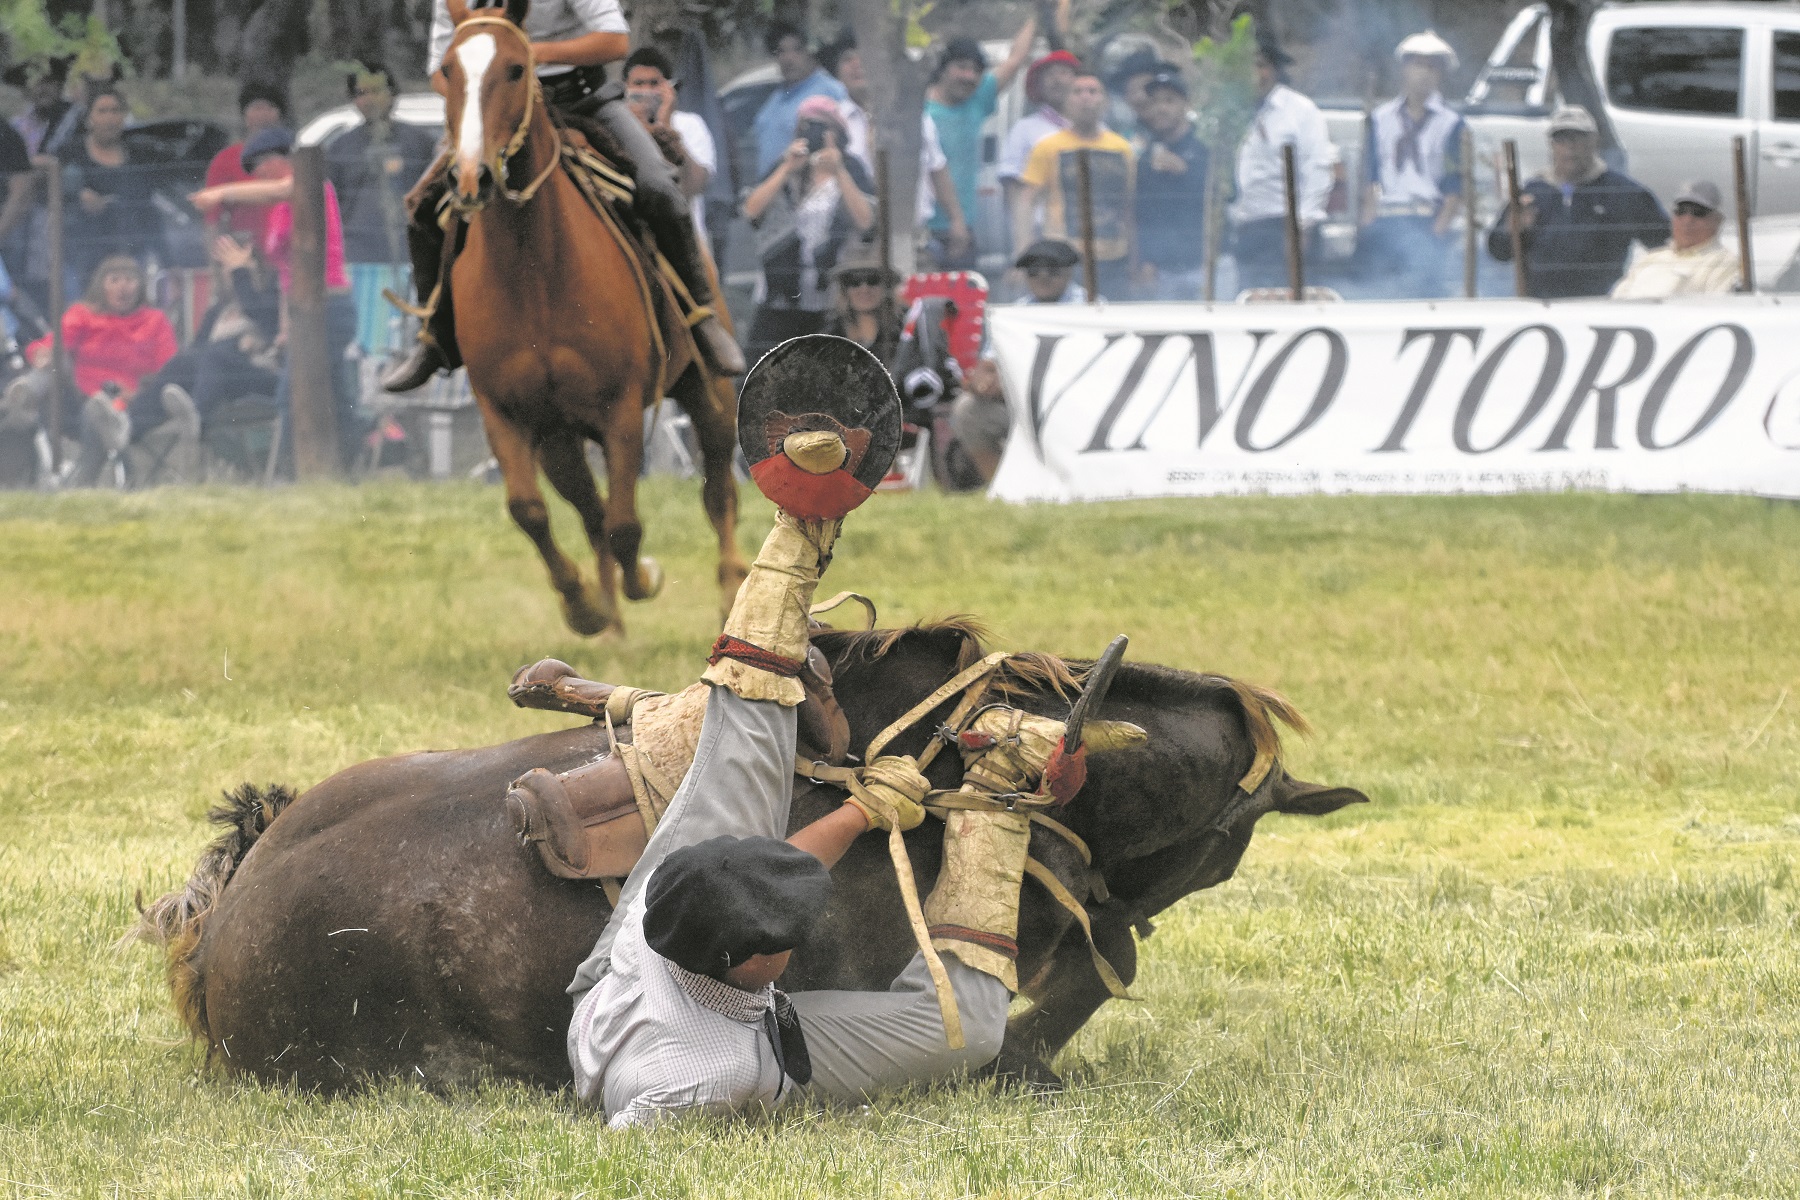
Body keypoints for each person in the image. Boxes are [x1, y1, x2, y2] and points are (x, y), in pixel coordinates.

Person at [562, 348, 1071, 1125]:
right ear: (752, 965)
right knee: (966, 1035)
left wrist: (867, 811)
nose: (798, 939)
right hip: (757, 1051)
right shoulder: (704, 1082)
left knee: (737, 754)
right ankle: (998, 791)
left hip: (653, 984)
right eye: (784, 940)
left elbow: (765, 878)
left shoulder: (659, 916)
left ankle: (802, 518)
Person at [384, 0, 745, 391]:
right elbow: (441, 70)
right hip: (496, 111)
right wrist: (477, 89)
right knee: (421, 207)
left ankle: (701, 316)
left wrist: (528, 53)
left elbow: (614, 42)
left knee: (658, 184)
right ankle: (433, 336)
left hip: (582, 100)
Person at [190, 128, 362, 470]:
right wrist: (285, 327)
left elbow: (285, 188)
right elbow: (288, 273)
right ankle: (348, 469)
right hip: (303, 309)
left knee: (294, 395)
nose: (257, 177)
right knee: (335, 397)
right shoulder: (281, 210)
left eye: (260, 168)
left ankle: (285, 474)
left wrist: (223, 194)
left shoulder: (312, 188)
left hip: (329, 305)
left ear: (278, 160)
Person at [741, 97, 875, 366]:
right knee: (763, 373)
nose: (813, 133)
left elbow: (866, 221)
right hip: (779, 295)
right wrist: (787, 168)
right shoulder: (787, 165)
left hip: (829, 299)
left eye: (821, 127)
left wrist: (838, 171)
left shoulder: (851, 167)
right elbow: (751, 211)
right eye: (806, 126)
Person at [1488, 105, 1669, 299]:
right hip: (1539, 306)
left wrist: (1641, 284)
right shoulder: (1532, 193)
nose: (1570, 147)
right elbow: (1499, 252)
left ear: (1594, 141)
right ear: (1551, 145)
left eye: (1578, 138)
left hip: (1601, 305)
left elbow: (1665, 245)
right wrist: (1512, 229)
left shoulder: (1622, 191)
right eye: (1561, 139)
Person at [25, 255, 177, 484]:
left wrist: (140, 392)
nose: (123, 287)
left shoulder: (155, 320)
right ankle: (26, 391)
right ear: (100, 285)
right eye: (114, 280)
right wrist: (41, 354)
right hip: (81, 398)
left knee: (100, 414)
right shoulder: (83, 314)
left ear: (141, 286)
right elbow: (53, 343)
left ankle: (83, 481)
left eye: (130, 279)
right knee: (60, 369)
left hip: (132, 403)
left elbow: (170, 368)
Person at [324, 64, 441, 358]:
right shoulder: (339, 147)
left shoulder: (420, 143)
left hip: (412, 260)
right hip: (360, 262)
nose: (370, 99)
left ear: (393, 94)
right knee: (366, 346)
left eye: (376, 90)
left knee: (411, 341)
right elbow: (331, 209)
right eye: (361, 93)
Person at [822, 36, 968, 263]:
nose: (857, 64)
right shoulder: (834, 123)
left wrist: (957, 220)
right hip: (858, 248)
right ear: (837, 72)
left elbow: (937, 169)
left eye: (864, 56)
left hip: (914, 241)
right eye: (847, 59)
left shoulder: (914, 118)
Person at [1357, 31, 1466, 300]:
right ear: (1404, 69)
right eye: (1417, 64)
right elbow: (1371, 174)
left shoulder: (1451, 124)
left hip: (1427, 220)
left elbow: (1455, 185)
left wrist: (1438, 232)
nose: (1424, 74)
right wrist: (1369, 220)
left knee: (1424, 297)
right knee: (1376, 295)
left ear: (1440, 74)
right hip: (1387, 219)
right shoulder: (1380, 119)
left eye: (1432, 67)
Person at [1011, 73, 1134, 300]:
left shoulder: (1122, 148)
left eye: (1092, 91)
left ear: (1105, 102)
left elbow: (1129, 205)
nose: (1085, 97)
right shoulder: (1048, 147)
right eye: (1077, 92)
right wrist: (1023, 249)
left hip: (1114, 256)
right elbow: (1027, 199)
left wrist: (1136, 258)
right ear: (1067, 103)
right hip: (1065, 258)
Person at [925, 21, 1038, 268]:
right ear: (943, 69)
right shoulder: (918, 111)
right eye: (962, 67)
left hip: (964, 228)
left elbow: (1015, 59)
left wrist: (1038, 13)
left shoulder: (976, 100)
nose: (969, 76)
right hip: (922, 229)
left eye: (976, 70)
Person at [1229, 34, 1335, 292]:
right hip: (1248, 229)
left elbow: (1319, 168)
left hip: (1288, 226)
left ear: (1274, 69)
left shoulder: (1300, 110)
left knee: (1295, 303)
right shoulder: (1230, 112)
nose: (1254, 74)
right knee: (1251, 301)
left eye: (1260, 65)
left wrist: (1303, 227)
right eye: (1246, 66)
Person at [58, 88, 160, 293]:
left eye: (115, 111)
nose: (110, 118)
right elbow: (47, 193)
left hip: (130, 258)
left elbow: (149, 208)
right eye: (102, 111)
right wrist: (78, 196)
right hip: (82, 260)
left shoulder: (140, 156)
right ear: (89, 118)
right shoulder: (71, 153)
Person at [622, 47, 717, 246]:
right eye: (638, 84)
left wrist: (664, 128)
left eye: (654, 84)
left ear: (668, 87)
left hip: (684, 242)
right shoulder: (617, 128)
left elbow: (693, 186)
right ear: (625, 89)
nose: (646, 92)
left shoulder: (690, 125)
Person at [1133, 67, 1209, 301]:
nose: (1161, 108)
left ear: (1185, 104)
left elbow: (1225, 198)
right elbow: (1142, 214)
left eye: (1169, 100)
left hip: (1205, 266)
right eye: (1154, 102)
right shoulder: (1146, 156)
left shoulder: (1206, 147)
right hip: (1162, 272)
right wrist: (1145, 261)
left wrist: (1186, 172)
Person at [750, 23, 849, 180]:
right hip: (770, 191)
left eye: (797, 49)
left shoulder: (831, 90)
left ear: (810, 52)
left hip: (806, 190)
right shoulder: (776, 98)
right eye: (781, 51)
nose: (788, 58)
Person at [1610, 180, 1739, 299]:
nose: (1687, 220)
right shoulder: (1649, 259)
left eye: (1699, 212)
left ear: (1717, 220)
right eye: (1681, 211)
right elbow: (1615, 303)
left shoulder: (1725, 264)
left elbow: (1717, 312)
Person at [997, 47, 1079, 222]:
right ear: (1039, 85)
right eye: (1050, 75)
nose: (1057, 80)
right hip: (1040, 231)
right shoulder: (1024, 129)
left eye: (1064, 73)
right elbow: (1012, 185)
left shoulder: (1097, 130)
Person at [204, 83, 289, 245]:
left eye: (270, 107)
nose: (263, 114)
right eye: (257, 108)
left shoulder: (293, 156)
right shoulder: (226, 159)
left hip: (288, 251)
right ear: (245, 115)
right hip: (245, 250)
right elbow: (212, 219)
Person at [821, 238, 902, 364]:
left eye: (873, 280)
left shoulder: (902, 336)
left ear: (887, 287)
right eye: (854, 281)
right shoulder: (829, 339)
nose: (864, 289)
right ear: (844, 291)